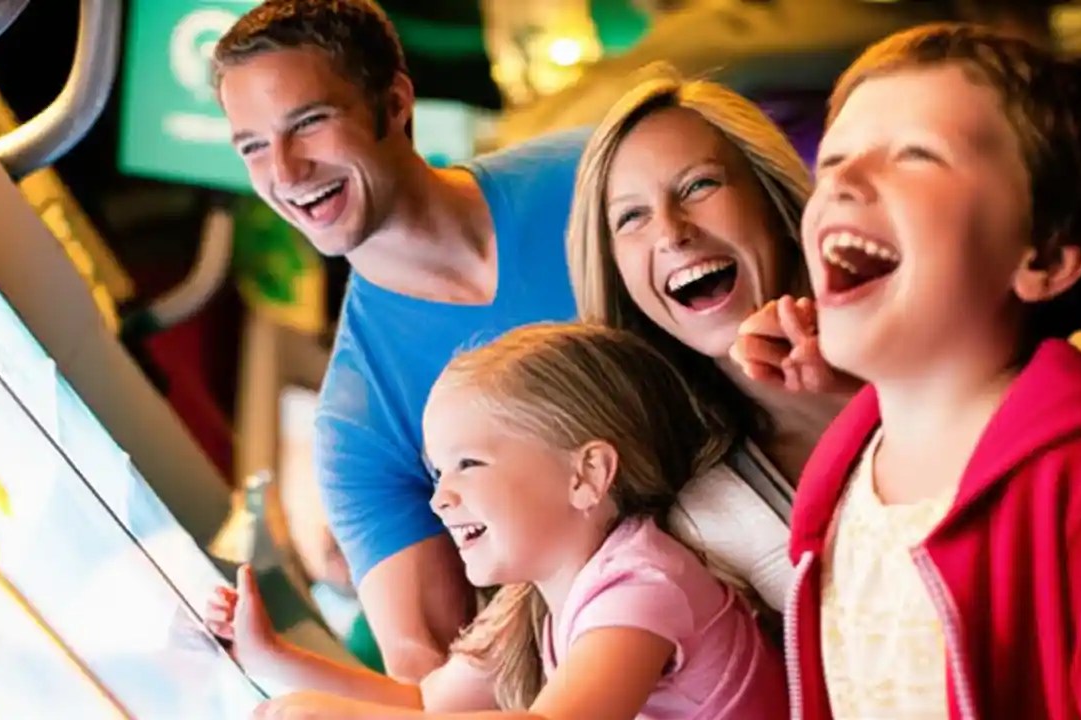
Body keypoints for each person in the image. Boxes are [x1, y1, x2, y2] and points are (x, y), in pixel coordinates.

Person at [735, 22, 1081, 719]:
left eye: (916, 155)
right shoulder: (842, 476)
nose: (843, 182)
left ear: (1043, 258)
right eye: (832, 161)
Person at [212, 0, 584, 680]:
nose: (287, 172)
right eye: (254, 147)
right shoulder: (359, 423)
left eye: (311, 123)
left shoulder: (589, 177)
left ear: (395, 102)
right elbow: (428, 664)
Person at [208, 322, 789, 719]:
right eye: (438, 473)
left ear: (586, 475)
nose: (440, 499)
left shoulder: (643, 585)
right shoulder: (536, 600)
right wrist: (274, 658)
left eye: (467, 464)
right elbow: (428, 702)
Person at [567, 66, 855, 610]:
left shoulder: (925, 344)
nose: (673, 232)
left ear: (771, 199)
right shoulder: (677, 505)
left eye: (699, 185)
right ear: (616, 272)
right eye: (631, 217)